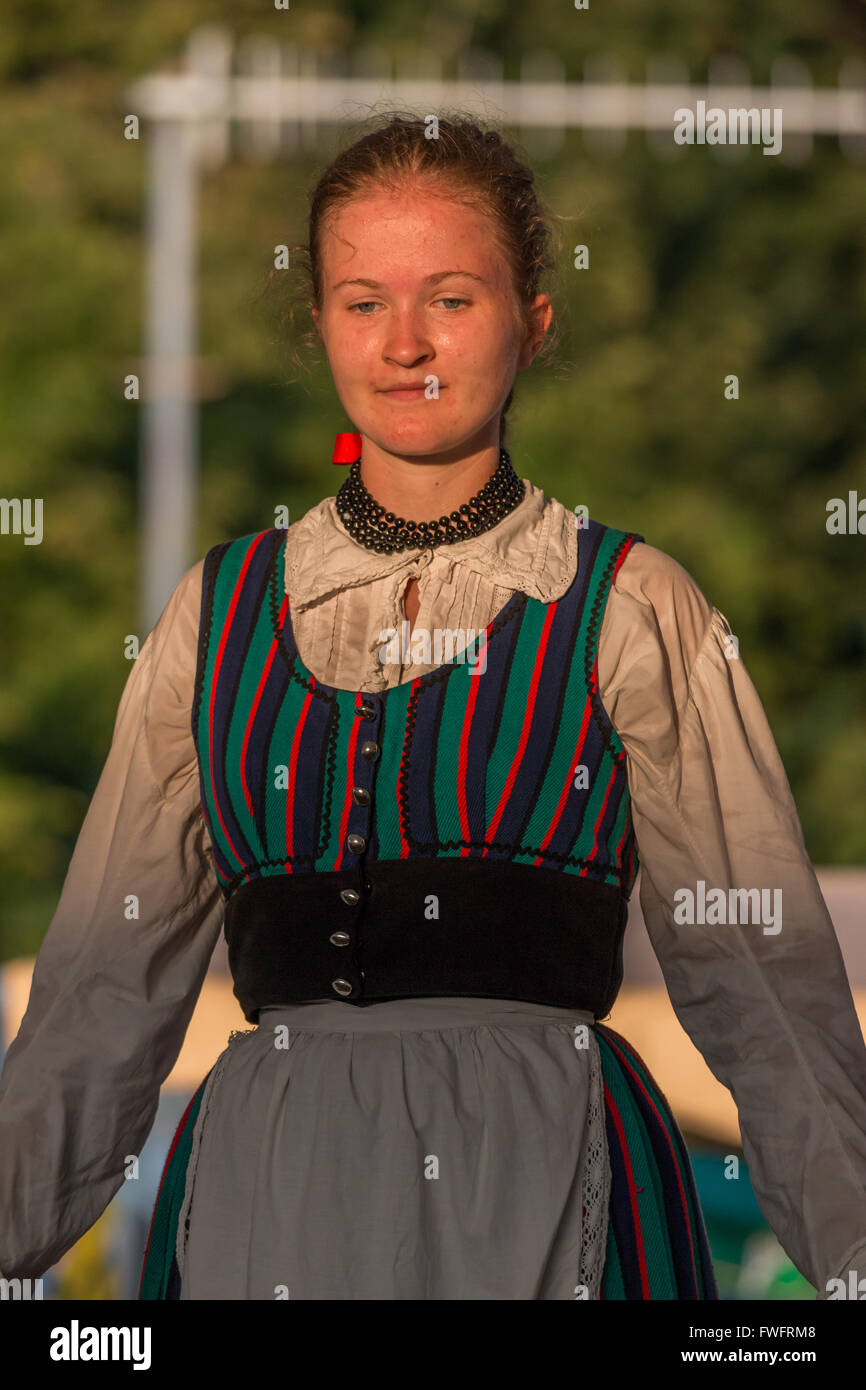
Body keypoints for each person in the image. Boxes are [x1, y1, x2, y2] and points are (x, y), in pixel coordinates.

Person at [2, 113, 865, 1301]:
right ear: (318, 323)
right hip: (276, 1182)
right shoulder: (220, 610)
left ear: (532, 323)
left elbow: (763, 977)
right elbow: (104, 983)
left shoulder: (629, 603)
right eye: (362, 302)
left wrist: (852, 1252)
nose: (403, 342)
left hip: (548, 1164)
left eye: (450, 298)